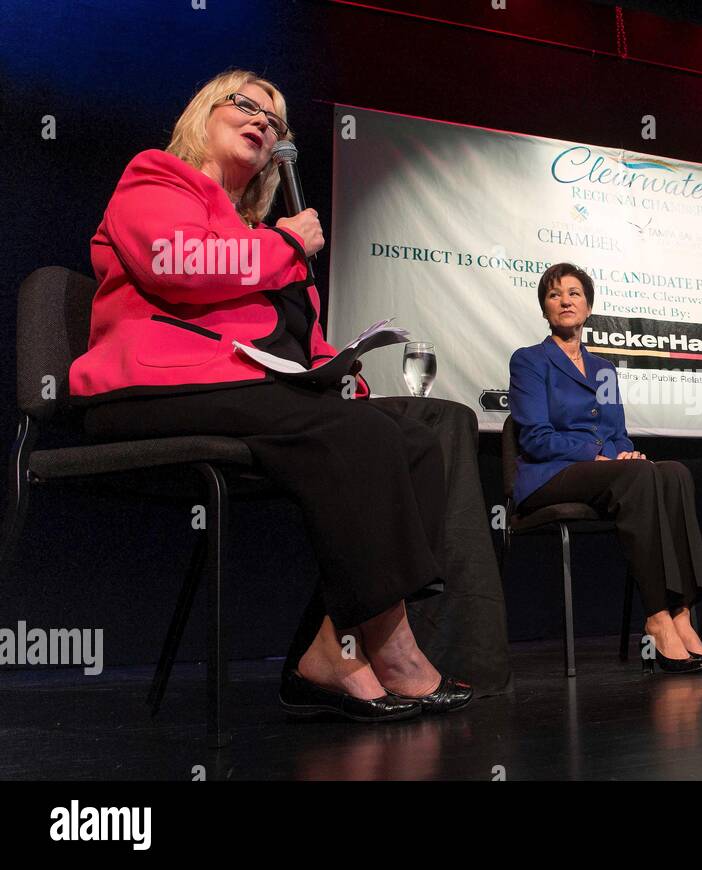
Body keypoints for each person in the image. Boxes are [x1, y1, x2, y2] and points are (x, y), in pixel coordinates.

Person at [69, 69, 485, 720]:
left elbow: (301, 341)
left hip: (248, 390)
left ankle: (334, 643)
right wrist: (286, 244)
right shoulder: (158, 177)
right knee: (360, 436)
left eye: (277, 120)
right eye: (246, 105)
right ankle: (389, 649)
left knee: (412, 437)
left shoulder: (260, 233)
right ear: (202, 113)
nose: (264, 121)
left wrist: (336, 370)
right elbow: (178, 266)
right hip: (155, 388)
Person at [508, 263, 702, 673]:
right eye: (555, 295)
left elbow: (618, 432)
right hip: (548, 476)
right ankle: (657, 618)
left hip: (605, 474)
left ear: (588, 306)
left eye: (574, 293)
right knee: (639, 476)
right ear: (544, 309)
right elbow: (535, 437)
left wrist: (626, 454)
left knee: (673, 471)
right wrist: (597, 455)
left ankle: (682, 615)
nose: (565, 301)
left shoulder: (604, 369)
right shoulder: (530, 361)